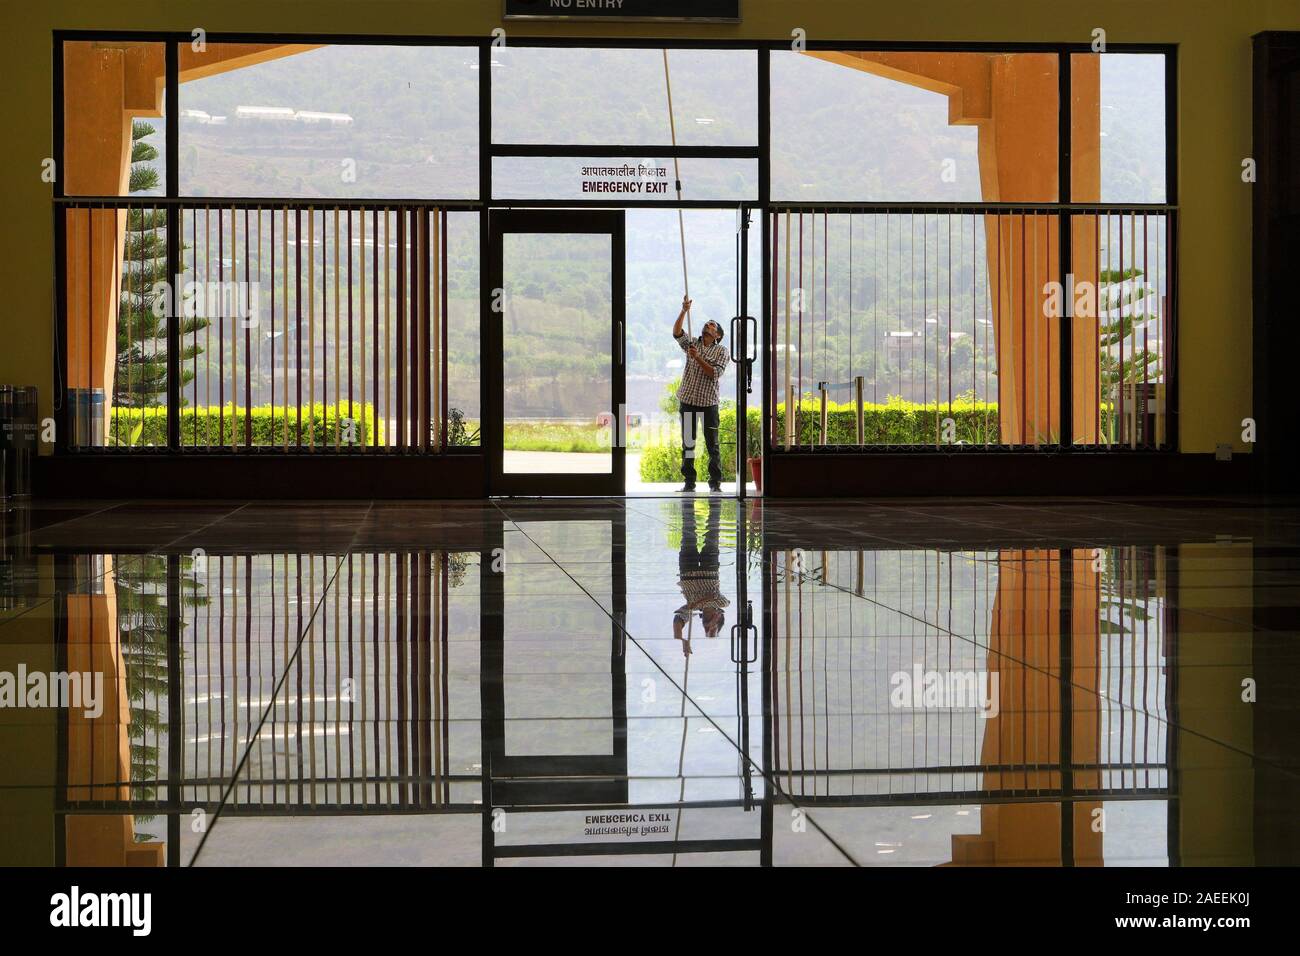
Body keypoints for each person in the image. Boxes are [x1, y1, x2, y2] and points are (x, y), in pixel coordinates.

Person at [672, 296, 729, 493]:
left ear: (718, 335)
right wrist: (683, 311)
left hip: (708, 404)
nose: (708, 325)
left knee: (712, 445)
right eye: (707, 323)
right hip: (687, 400)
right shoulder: (692, 343)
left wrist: (697, 358)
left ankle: (715, 483)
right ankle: (689, 483)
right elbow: (677, 332)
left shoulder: (722, 351)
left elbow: (714, 373)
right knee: (688, 443)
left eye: (712, 325)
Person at [673, 497, 729, 657]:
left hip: (687, 570)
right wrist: (695, 604)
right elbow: (713, 597)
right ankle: (715, 490)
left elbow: (677, 620)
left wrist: (682, 640)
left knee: (688, 528)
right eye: (711, 626)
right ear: (718, 618)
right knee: (713, 530)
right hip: (709, 568)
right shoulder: (722, 603)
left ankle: (688, 487)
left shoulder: (691, 609)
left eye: (705, 627)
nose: (707, 624)